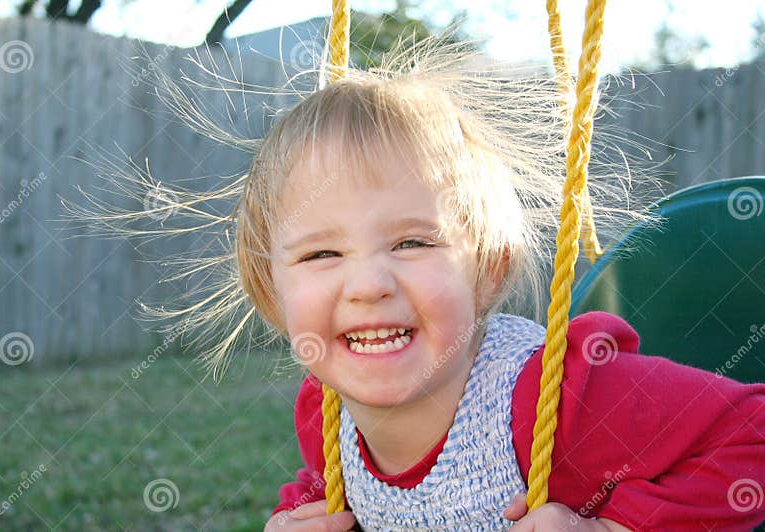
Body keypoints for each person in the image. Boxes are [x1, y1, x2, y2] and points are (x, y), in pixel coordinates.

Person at [64, 35, 765, 531]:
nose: (368, 283)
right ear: (269, 292)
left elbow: (751, 434)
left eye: (411, 242)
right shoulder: (327, 415)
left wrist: (620, 528)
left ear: (486, 269)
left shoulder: (556, 394)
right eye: (320, 256)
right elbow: (344, 495)